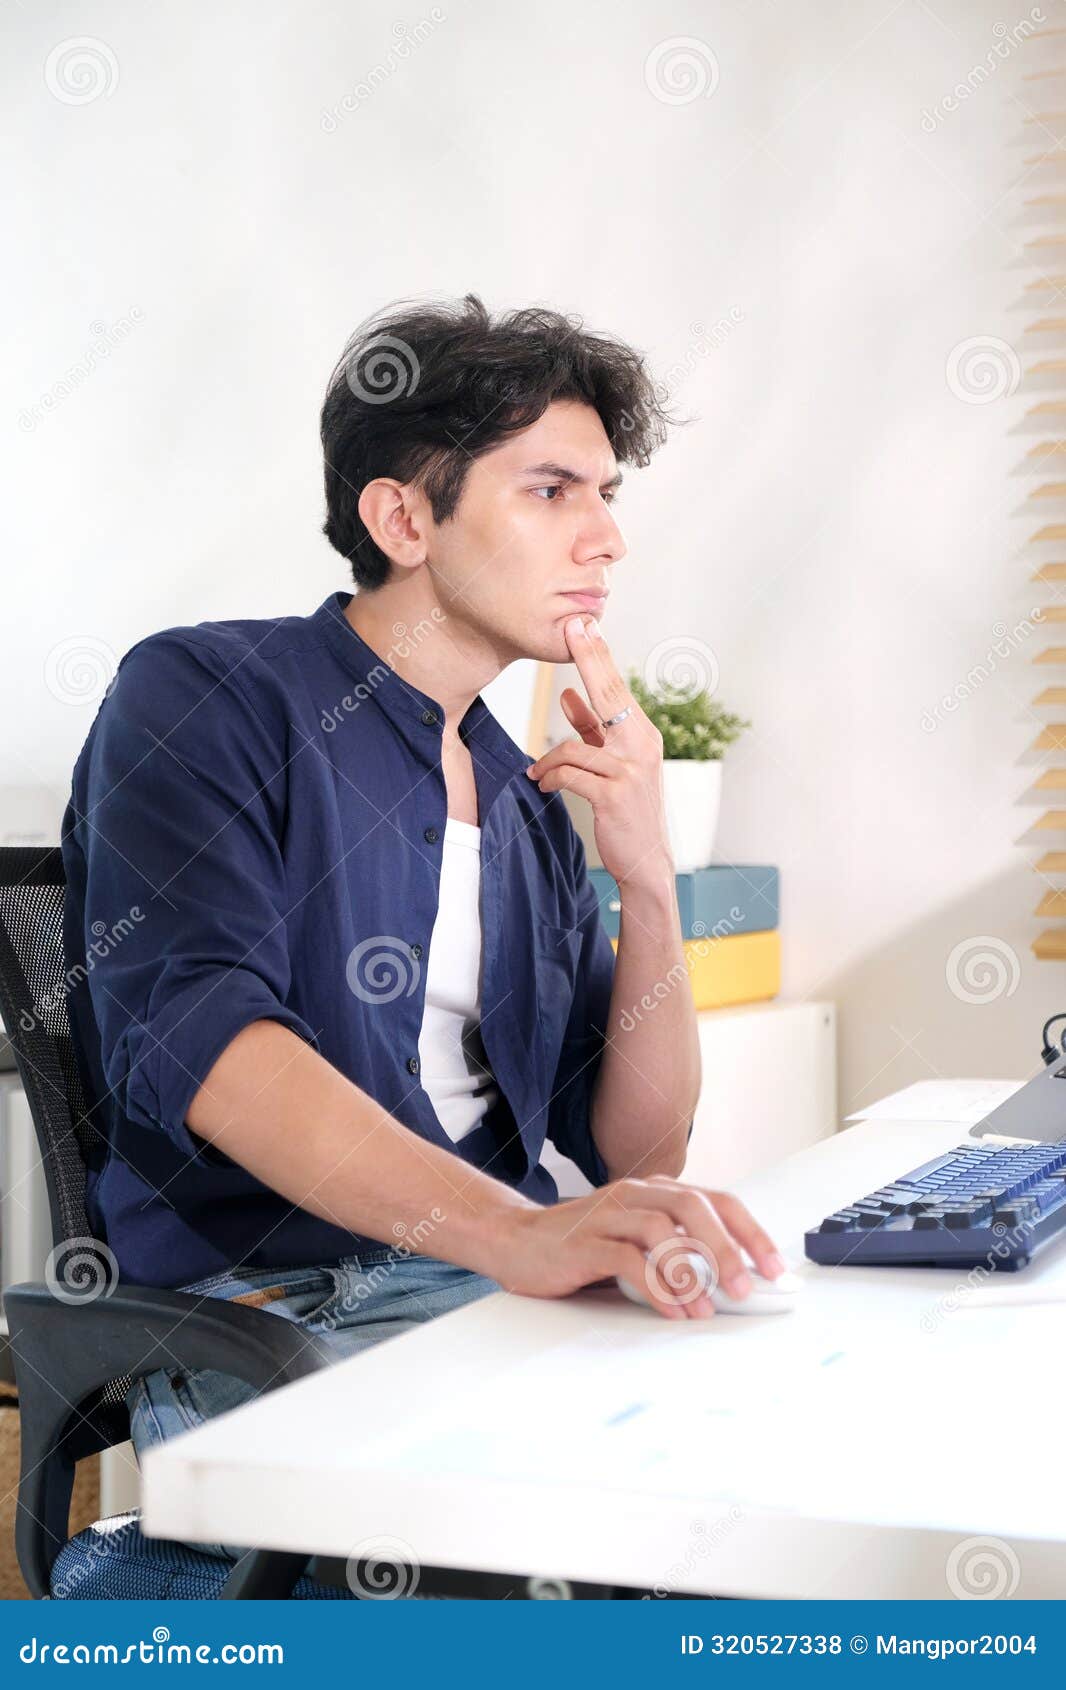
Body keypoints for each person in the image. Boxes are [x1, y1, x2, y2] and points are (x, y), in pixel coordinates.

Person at [60, 293, 785, 1565]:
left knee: (766, 1505)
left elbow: (633, 1140)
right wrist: (517, 1230)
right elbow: (207, 1042)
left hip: (482, 1302)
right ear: (404, 518)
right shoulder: (208, 696)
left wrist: (647, 874)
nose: (608, 537)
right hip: (281, 1305)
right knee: (618, 1567)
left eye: (607, 495)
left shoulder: (519, 795)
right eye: (553, 490)